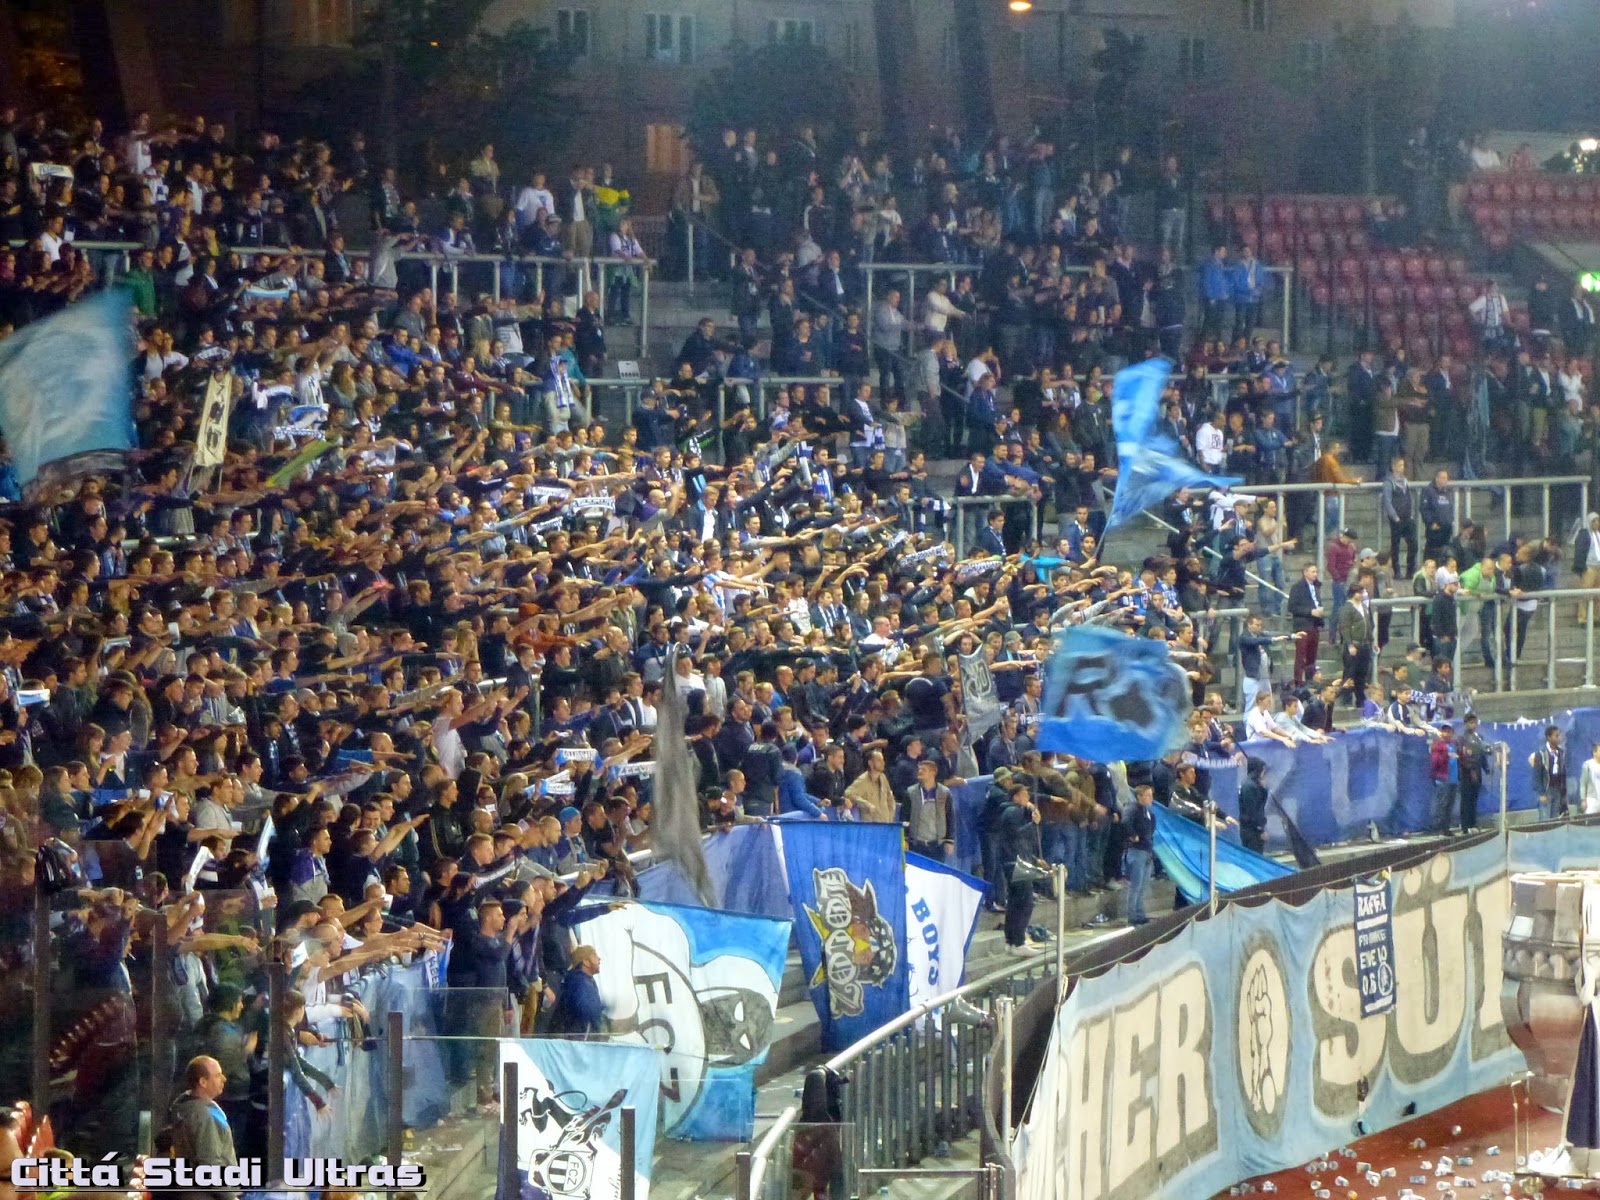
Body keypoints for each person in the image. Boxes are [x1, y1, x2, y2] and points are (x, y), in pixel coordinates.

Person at [164, 1056, 238, 1200]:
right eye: (217, 1075)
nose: (224, 1079)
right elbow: (210, 1164)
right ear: (203, 1082)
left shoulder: (185, 1107)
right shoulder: (203, 1115)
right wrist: (230, 1197)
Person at [547, 945, 606, 1037]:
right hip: (579, 1040)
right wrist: (603, 1006)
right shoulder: (580, 982)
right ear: (586, 962)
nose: (599, 958)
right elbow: (586, 1010)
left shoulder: (583, 980)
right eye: (594, 955)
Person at [1123, 785, 1155, 927]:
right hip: (1137, 851)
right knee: (1135, 885)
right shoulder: (1133, 809)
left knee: (1143, 885)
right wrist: (1132, 836)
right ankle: (1132, 915)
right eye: (1147, 795)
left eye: (1151, 795)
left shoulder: (1148, 813)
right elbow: (1125, 823)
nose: (1150, 798)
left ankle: (1140, 913)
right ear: (1139, 797)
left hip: (1146, 851)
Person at [1457, 713, 1491, 833]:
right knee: (1466, 799)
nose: (1473, 725)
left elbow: (1482, 755)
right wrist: (1470, 770)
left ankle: (1473, 824)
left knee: (1474, 799)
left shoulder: (1479, 737)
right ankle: (1465, 826)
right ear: (1466, 724)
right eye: (1470, 723)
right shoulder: (1462, 738)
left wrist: (1486, 769)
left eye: (1475, 723)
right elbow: (1462, 757)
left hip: (1477, 772)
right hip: (1466, 773)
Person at [1530, 725, 1569, 821]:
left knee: (1555, 819)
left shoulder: (1561, 753)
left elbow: (1563, 773)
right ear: (1549, 737)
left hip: (1558, 790)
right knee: (1545, 819)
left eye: (1559, 735)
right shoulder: (1541, 754)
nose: (1559, 738)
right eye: (1556, 736)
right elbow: (1536, 775)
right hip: (1546, 790)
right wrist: (1541, 793)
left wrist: (1563, 791)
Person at [1237, 757, 1269, 853]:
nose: (1263, 773)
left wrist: (1264, 789)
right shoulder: (1250, 787)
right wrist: (1260, 830)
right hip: (1252, 831)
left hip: (1248, 828)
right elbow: (1253, 811)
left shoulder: (1250, 784)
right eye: (1262, 770)